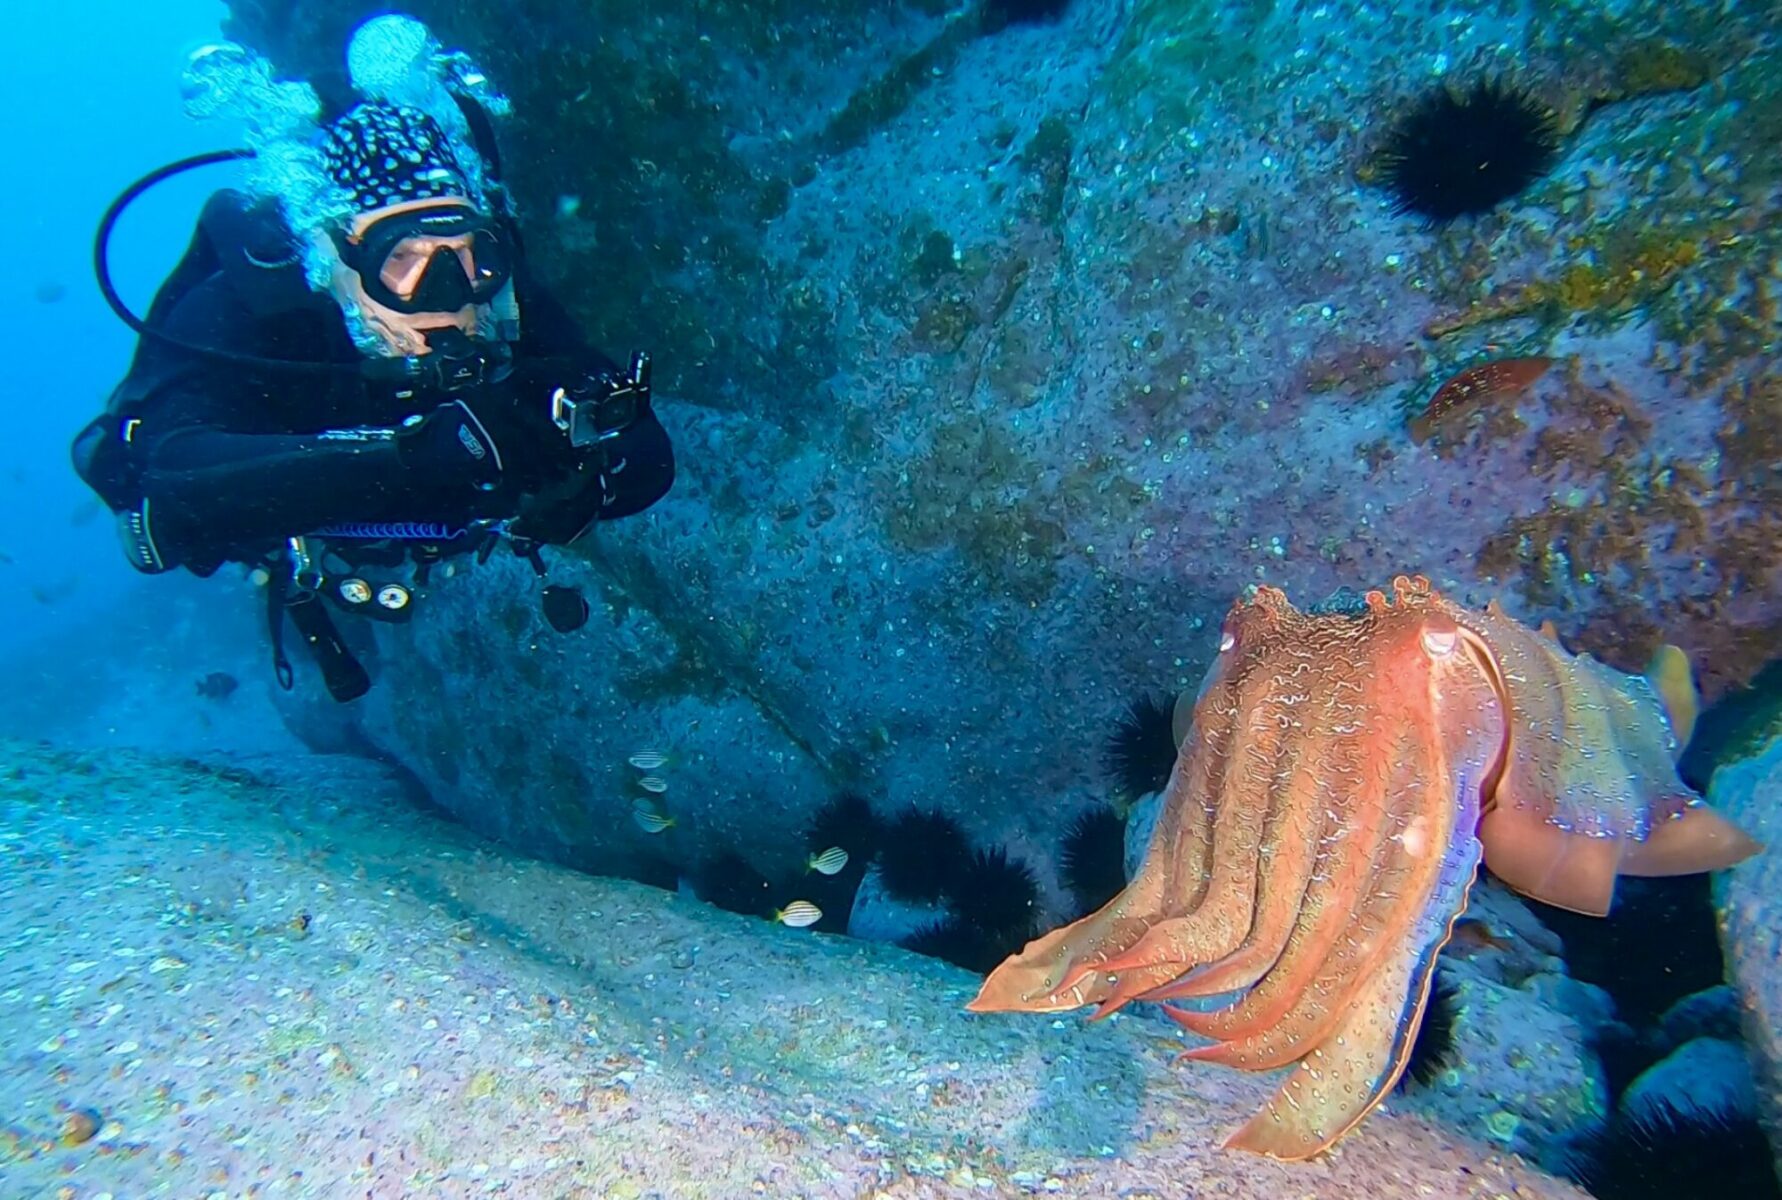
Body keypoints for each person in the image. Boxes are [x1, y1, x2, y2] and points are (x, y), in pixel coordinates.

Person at [72, 23, 674, 702]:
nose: (452, 297)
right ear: (336, 261)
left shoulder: (496, 300)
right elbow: (171, 479)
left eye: (471, 256)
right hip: (294, 524)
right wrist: (422, 458)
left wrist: (588, 480)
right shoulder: (245, 315)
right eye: (404, 263)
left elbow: (634, 439)